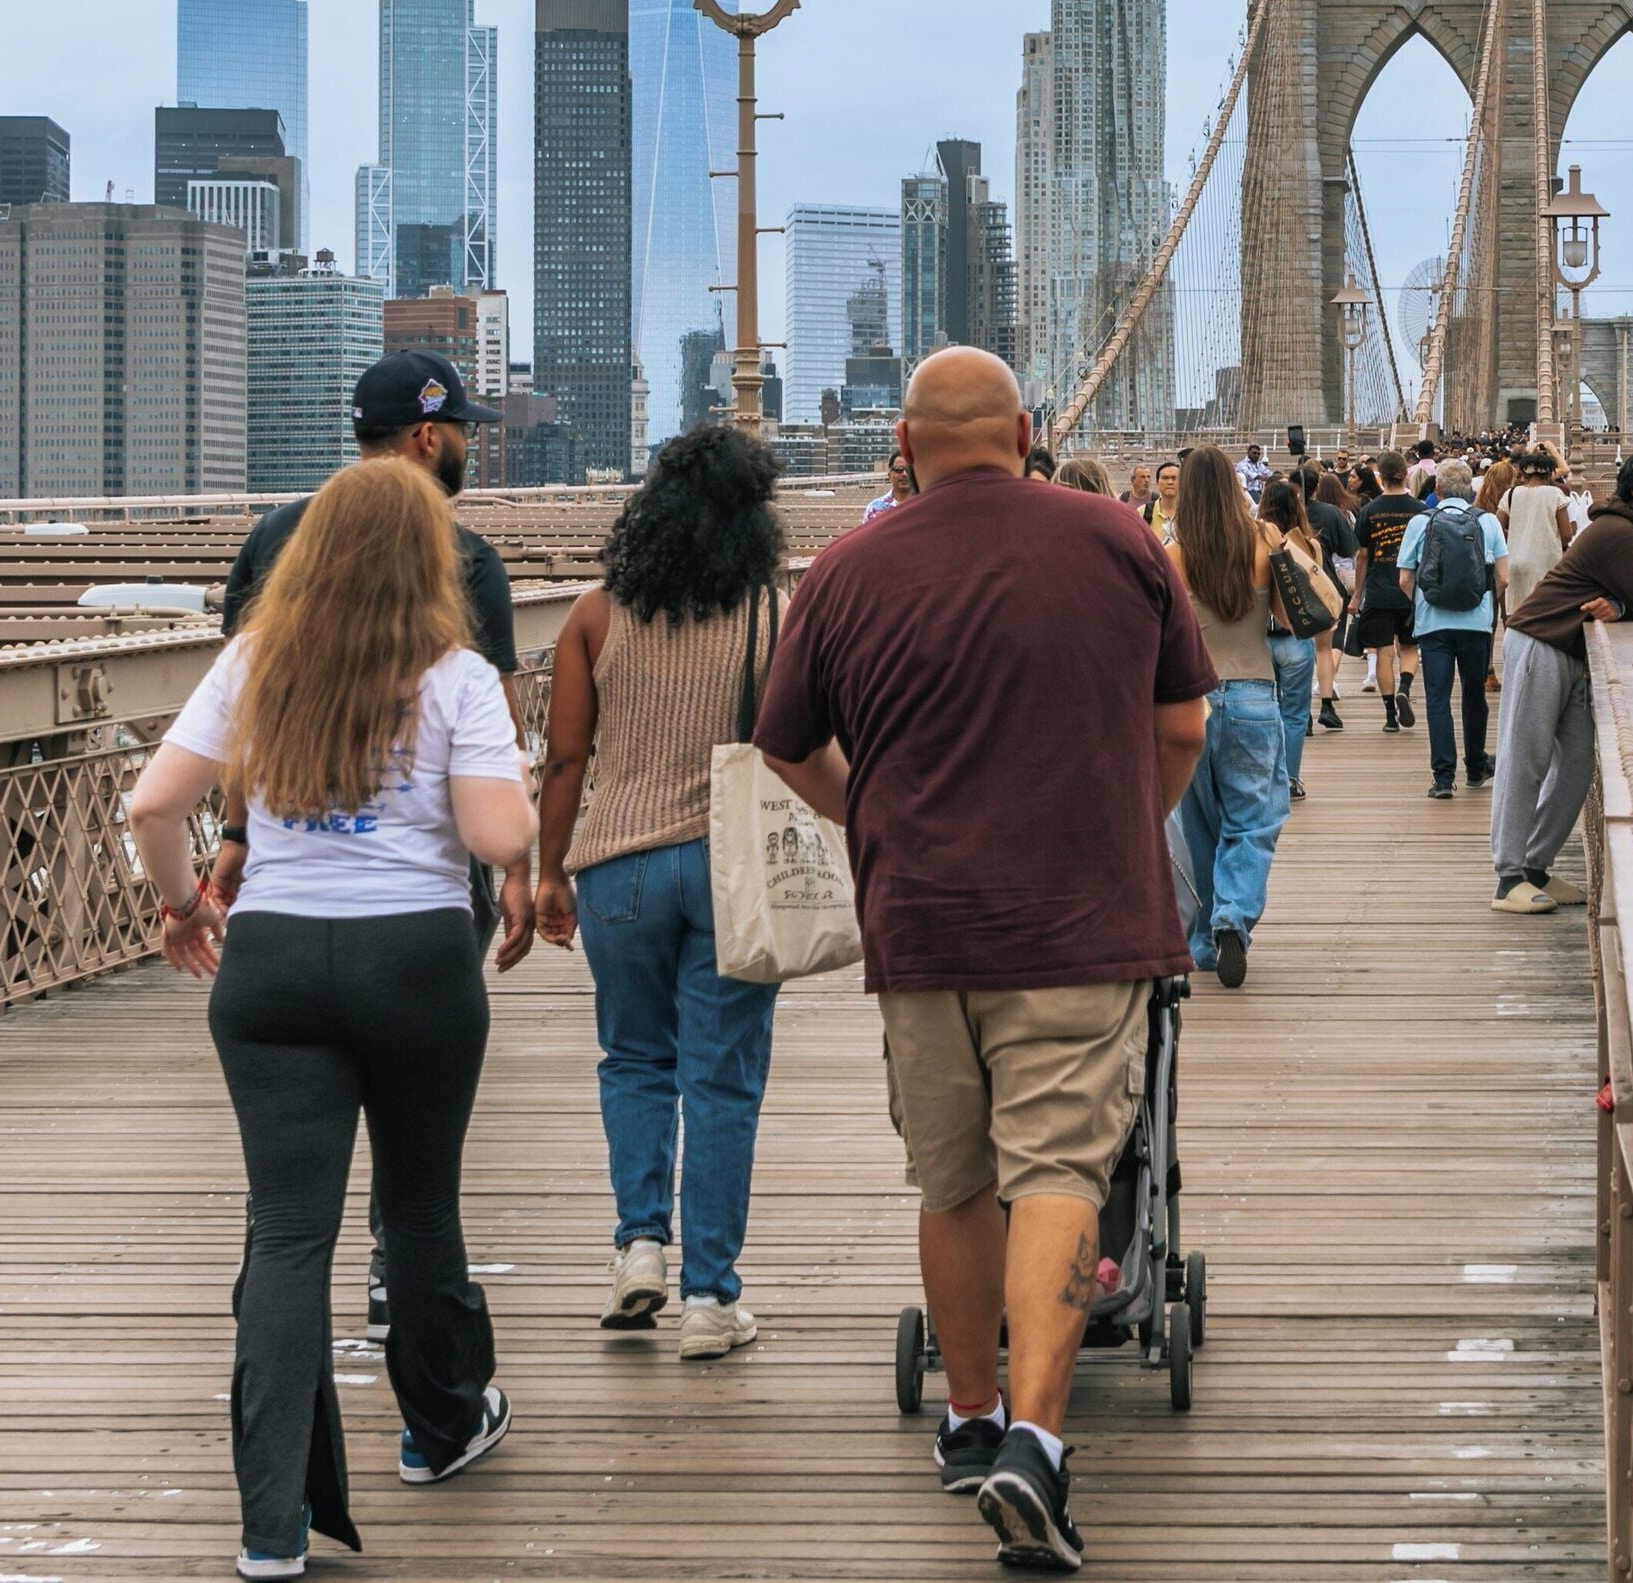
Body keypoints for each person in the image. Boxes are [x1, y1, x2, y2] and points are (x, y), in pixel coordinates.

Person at [751, 347, 1211, 1574]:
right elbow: (1183, 727)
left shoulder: (846, 568)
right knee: (1061, 1163)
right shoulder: (1119, 538)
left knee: (951, 1179)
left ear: (902, 445)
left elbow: (785, 745)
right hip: (1079, 917)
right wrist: (1127, 819)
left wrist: (874, 818)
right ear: (1024, 427)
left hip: (922, 922)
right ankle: (1039, 1446)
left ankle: (968, 1414)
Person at [125, 457, 537, 1579]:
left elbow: (154, 800)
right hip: (414, 959)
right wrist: (519, 851)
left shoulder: (255, 660)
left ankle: (271, 1525)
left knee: (287, 1229)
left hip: (271, 964)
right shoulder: (458, 676)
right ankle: (443, 1426)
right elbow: (498, 833)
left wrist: (177, 904)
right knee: (415, 1206)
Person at [215, 347, 514, 1348]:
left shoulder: (270, 539)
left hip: (281, 907)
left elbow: (246, 711)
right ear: (429, 436)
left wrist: (231, 836)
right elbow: (491, 745)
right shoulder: (467, 561)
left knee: (289, 1192)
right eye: (464, 427)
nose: (468, 444)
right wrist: (519, 867)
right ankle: (407, 1294)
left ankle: (278, 1364)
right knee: (417, 1144)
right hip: (420, 911)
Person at [530, 426, 789, 1362]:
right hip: (730, 870)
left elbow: (566, 757)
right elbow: (799, 739)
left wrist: (548, 871)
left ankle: (640, 1246)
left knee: (634, 1057)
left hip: (619, 866)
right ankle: (711, 1301)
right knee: (721, 1079)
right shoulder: (770, 609)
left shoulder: (596, 613)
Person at [1492, 448, 1633, 912]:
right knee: (1525, 759)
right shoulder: (1620, 533)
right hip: (1540, 644)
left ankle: (1535, 865)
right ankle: (1508, 879)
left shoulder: (1632, 529)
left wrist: (1623, 606)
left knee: (1577, 764)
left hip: (1570, 648)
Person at [1165, 445, 1292, 990]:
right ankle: (1232, 918)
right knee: (1254, 819)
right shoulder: (1263, 541)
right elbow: (1291, 619)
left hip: (1192, 700)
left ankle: (1204, 944)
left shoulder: (1170, 552)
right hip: (1255, 696)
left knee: (1198, 829)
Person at [1400, 464, 1507, 801]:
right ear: (1470, 492)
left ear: (1439, 491)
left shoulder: (1421, 522)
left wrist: (1424, 601)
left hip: (1433, 625)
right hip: (1475, 624)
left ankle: (1444, 778)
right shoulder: (1487, 521)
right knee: (1474, 696)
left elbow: (1405, 578)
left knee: (1437, 698)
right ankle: (1476, 767)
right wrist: (1483, 604)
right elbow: (1503, 578)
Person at [1255, 479, 1340, 803]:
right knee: (1294, 714)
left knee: (1265, 710)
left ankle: (1266, 776)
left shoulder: (1256, 541)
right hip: (1295, 639)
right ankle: (1290, 778)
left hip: (1260, 637)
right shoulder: (1309, 544)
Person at [1347, 453, 1428, 732]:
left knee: (1383, 652)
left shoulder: (1370, 510)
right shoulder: (1419, 510)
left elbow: (1362, 557)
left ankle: (1390, 715)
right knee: (1408, 647)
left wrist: (1358, 595)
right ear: (1404, 474)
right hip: (1411, 590)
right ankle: (1405, 686)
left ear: (1380, 476)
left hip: (1380, 590)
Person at [1303, 471, 1362, 731]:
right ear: (1315, 486)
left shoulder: (1277, 515)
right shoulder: (1331, 513)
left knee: (1299, 650)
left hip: (1289, 589)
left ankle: (1301, 711)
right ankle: (1327, 705)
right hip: (1325, 585)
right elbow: (1350, 549)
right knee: (1324, 648)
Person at [1500, 450, 1580, 617]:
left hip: (1515, 561)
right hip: (1545, 561)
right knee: (1544, 612)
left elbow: (1498, 526)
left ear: (1523, 473)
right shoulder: (1555, 494)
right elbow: (1567, 534)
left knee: (1517, 612)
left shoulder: (1511, 494)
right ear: (1549, 473)